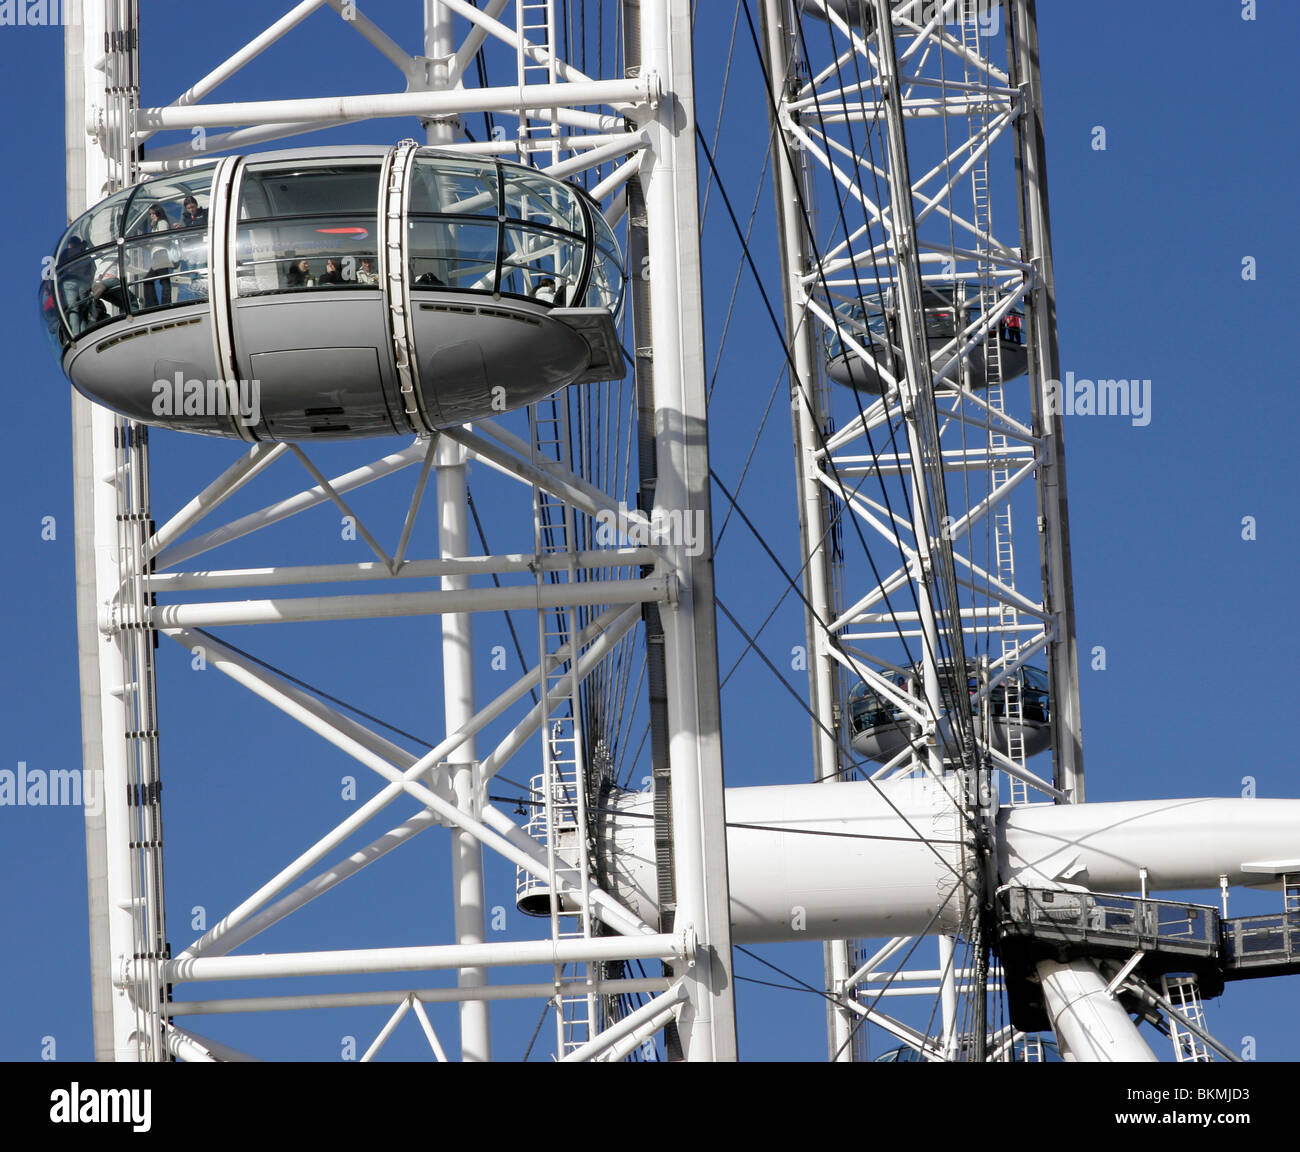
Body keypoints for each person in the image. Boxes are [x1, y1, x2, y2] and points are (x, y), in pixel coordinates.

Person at [145, 204, 173, 308]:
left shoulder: (162, 222)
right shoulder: (155, 225)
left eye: (153, 213)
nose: (151, 216)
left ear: (158, 213)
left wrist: (151, 241)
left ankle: (160, 304)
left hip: (161, 253)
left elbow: (163, 238)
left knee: (158, 279)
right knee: (161, 279)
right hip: (157, 254)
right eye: (150, 214)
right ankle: (159, 304)